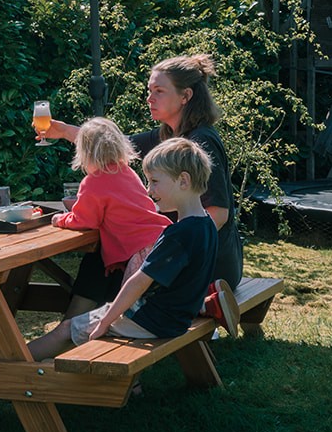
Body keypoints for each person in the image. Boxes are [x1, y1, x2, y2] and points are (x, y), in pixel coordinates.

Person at [40, 52, 243, 290]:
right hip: (184, 256)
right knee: (104, 258)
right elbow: (114, 144)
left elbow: (218, 215)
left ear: (186, 96)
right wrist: (64, 131)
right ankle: (82, 325)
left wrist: (168, 249)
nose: (149, 98)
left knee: (104, 264)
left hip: (210, 266)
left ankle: (84, 325)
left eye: (159, 91)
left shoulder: (200, 142)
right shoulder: (168, 135)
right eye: (149, 90)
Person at [25, 138, 239, 361]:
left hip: (151, 321)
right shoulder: (206, 225)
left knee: (66, 329)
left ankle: (15, 365)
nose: (149, 190)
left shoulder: (178, 235)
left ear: (183, 181)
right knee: (90, 320)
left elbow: (137, 282)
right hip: (174, 318)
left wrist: (105, 322)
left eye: (155, 181)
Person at [50, 117, 172, 319]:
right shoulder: (127, 172)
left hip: (136, 252)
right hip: (158, 240)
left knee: (129, 304)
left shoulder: (93, 181)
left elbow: (85, 220)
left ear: (84, 152)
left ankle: (80, 325)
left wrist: (60, 220)